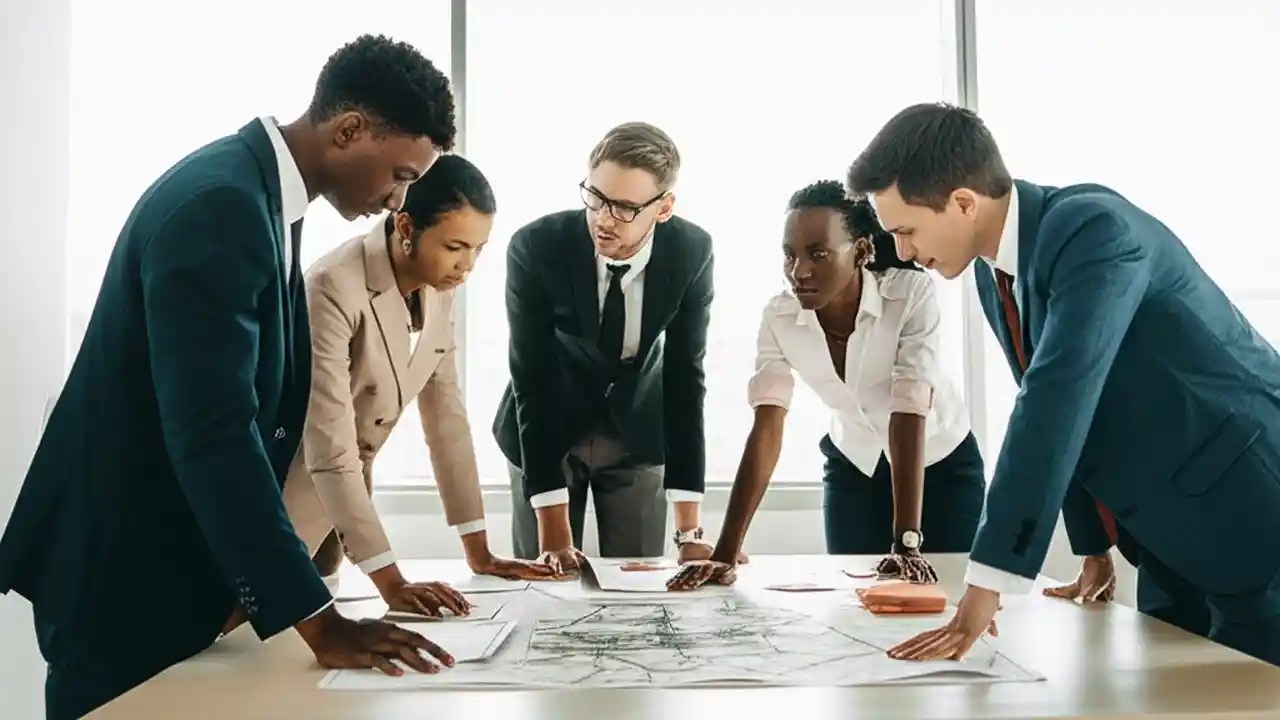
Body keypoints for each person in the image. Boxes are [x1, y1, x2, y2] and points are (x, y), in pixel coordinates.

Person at [0, 34, 460, 718]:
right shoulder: (222, 206)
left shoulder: (257, 194)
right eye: (400, 175)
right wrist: (319, 621)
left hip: (157, 567)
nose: (399, 201)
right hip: (120, 574)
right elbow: (214, 431)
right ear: (349, 130)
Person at [846, 102, 1280, 666]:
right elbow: (1065, 399)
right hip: (1167, 530)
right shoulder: (991, 275)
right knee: (1169, 691)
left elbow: (1056, 398)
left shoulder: (1094, 230)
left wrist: (988, 581)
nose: (902, 253)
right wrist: (1093, 545)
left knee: (1251, 695)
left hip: (1249, 507)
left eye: (905, 231)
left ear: (963, 203)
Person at [667, 180, 984, 592]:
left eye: (818, 254)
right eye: (790, 255)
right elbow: (767, 426)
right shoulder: (780, 318)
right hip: (854, 466)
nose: (798, 271)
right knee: (853, 603)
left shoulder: (909, 294)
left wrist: (907, 540)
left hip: (939, 467)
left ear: (862, 252)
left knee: (945, 598)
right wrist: (725, 553)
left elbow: (908, 404)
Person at [282, 154, 558, 617]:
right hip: (285, 497)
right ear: (406, 227)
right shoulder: (331, 287)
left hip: (343, 507)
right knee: (246, 642)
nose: (467, 266)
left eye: (478, 249)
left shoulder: (438, 286)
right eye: (455, 247)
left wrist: (479, 551)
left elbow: (446, 419)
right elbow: (329, 448)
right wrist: (392, 582)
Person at [493, 122, 714, 570]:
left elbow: (685, 379)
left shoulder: (691, 252)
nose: (604, 219)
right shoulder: (536, 247)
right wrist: (552, 530)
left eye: (625, 208)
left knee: (639, 587)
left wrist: (689, 533)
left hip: (638, 430)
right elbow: (532, 380)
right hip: (546, 427)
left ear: (664, 207)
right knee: (546, 583)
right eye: (595, 197)